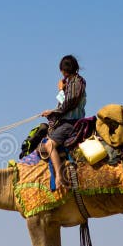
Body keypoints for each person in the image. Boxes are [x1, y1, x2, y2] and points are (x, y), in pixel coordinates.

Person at [40, 54, 86, 188]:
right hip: (70, 121)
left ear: (64, 70)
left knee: (49, 145)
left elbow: (67, 105)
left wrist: (52, 110)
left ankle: (60, 177)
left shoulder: (75, 83)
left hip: (71, 123)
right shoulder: (75, 82)